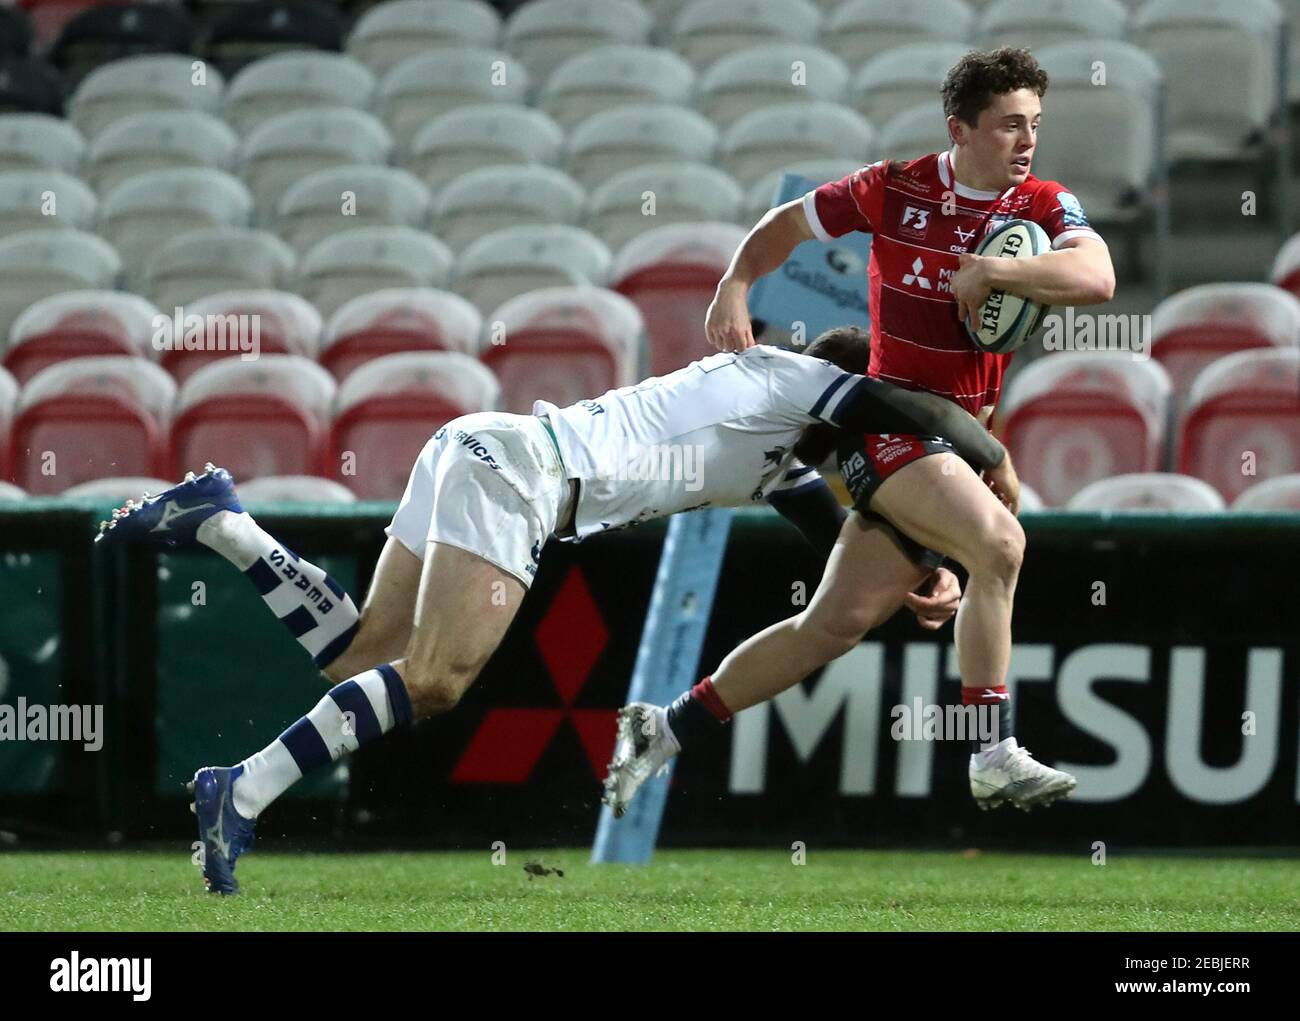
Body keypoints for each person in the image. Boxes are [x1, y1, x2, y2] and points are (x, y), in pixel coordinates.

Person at [96, 336, 1009, 893]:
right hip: (526, 475)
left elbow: (829, 528)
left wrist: (926, 572)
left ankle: (224, 524)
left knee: (360, 655)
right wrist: (992, 463)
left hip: (479, 444)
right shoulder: (789, 378)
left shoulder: (784, 453)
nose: (874, 460)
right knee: (437, 682)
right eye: (870, 450)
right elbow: (900, 405)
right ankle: (240, 790)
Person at [605, 48, 1116, 819]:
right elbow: (784, 226)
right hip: (888, 426)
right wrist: (734, 283)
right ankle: (990, 749)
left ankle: (664, 726)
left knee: (830, 626)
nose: (1027, 140)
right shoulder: (893, 188)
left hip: (957, 444)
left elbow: (1098, 278)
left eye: (1035, 124)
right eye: (1011, 124)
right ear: (961, 128)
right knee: (1002, 546)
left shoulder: (1042, 204)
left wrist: (996, 274)